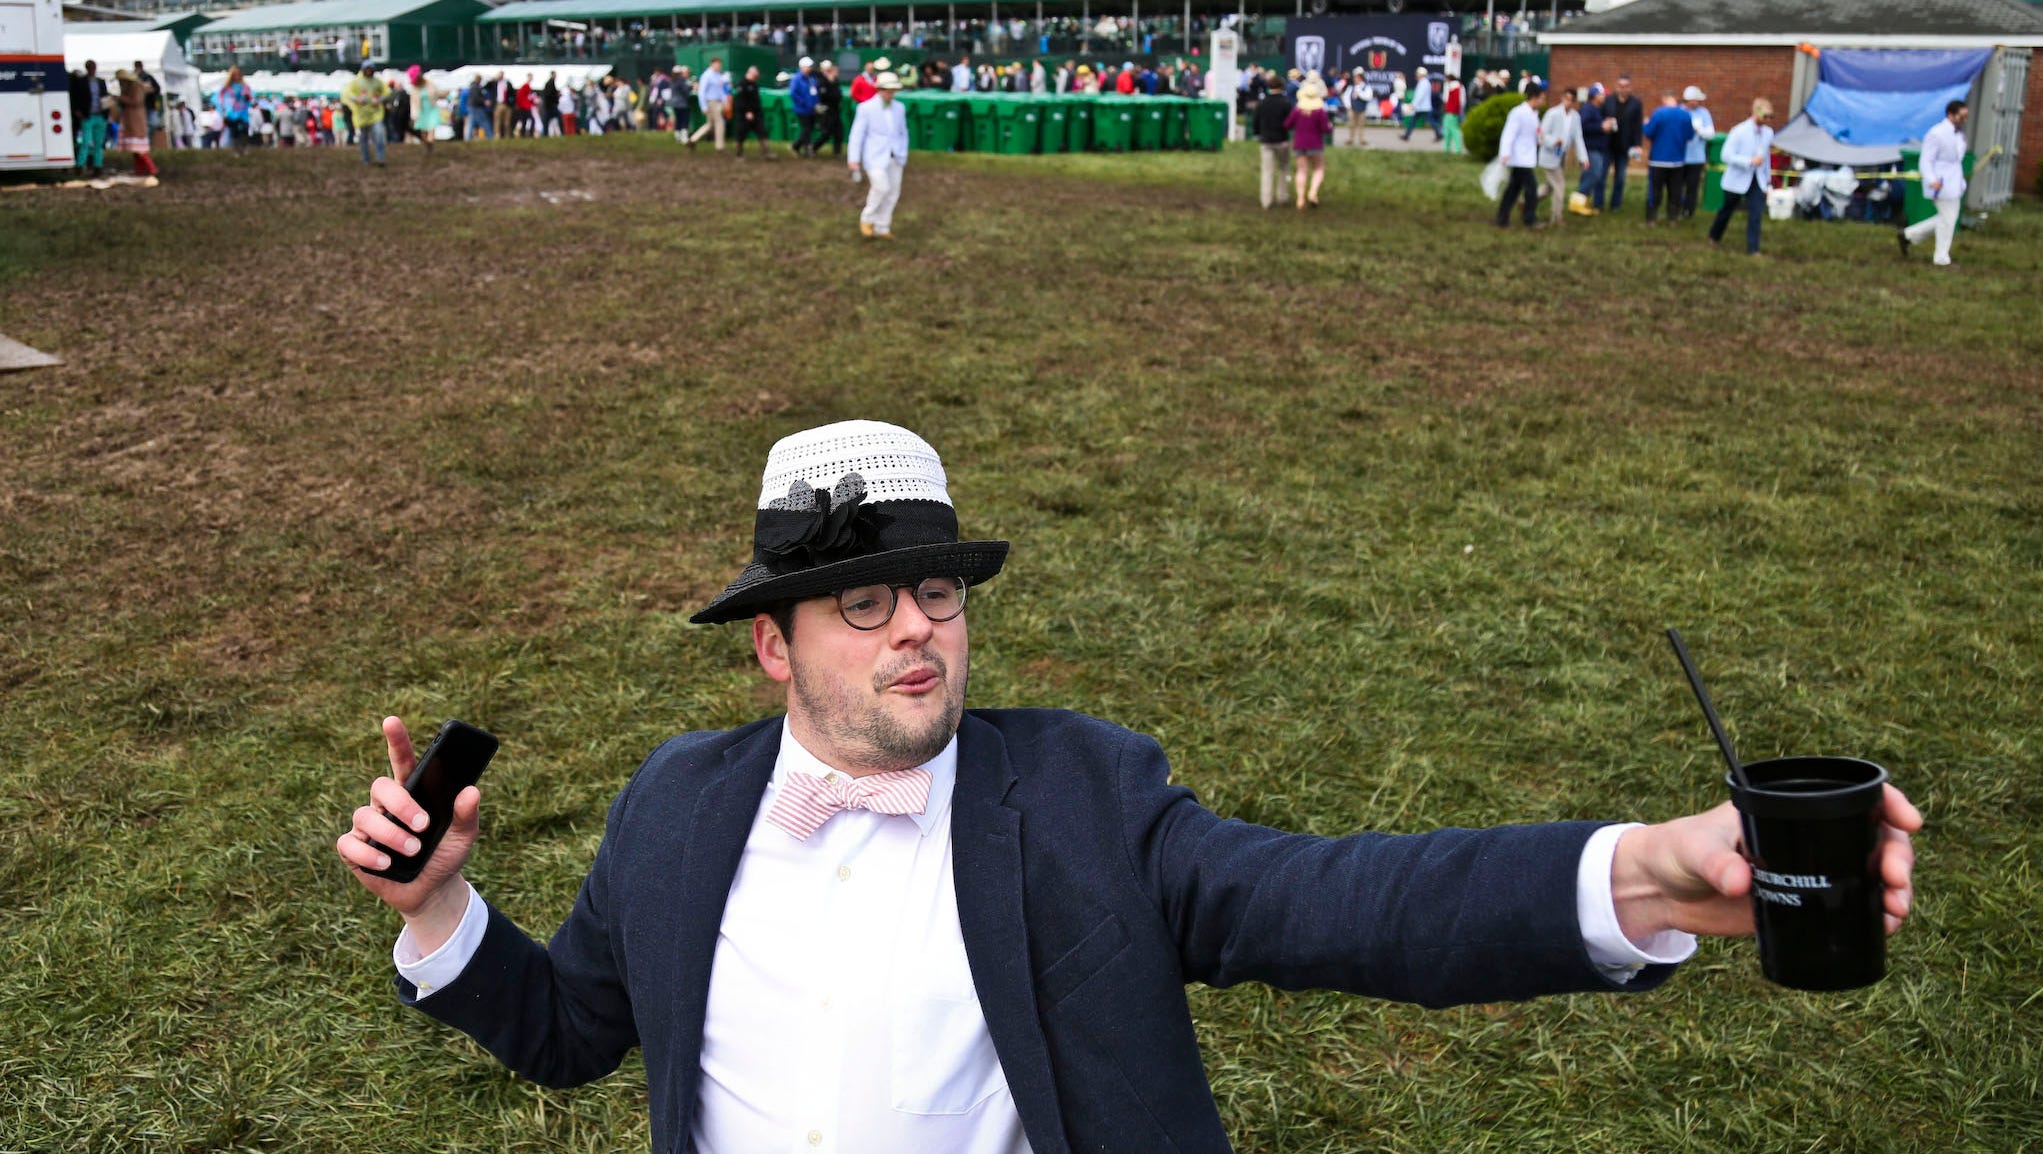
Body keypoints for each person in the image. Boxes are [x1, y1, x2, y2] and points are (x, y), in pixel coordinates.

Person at [339, 419, 1920, 1154]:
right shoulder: (678, 800)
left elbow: (1335, 899)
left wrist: (1636, 870)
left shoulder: (1083, 791)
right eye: (863, 605)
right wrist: (438, 908)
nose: (916, 633)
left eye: (938, 594)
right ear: (771, 646)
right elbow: (572, 1032)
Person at [1900, 99, 1969, 267]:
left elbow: (1956, 159)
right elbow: (1926, 160)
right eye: (1961, 116)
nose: (1964, 120)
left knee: (1946, 218)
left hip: (1954, 183)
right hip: (1940, 183)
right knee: (1948, 220)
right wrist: (1931, 180)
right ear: (1950, 115)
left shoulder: (1959, 135)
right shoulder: (1936, 133)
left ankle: (1908, 235)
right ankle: (1941, 259)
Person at [1708, 97, 1775, 256]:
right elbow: (1726, 155)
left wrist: (1768, 181)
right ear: (1755, 112)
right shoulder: (1739, 131)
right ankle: (1714, 235)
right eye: (1765, 116)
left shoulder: (1768, 133)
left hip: (1757, 179)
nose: (1767, 120)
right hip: (1737, 179)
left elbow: (1766, 159)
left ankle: (1753, 248)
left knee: (1756, 214)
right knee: (1727, 210)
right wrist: (1748, 161)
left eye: (1770, 117)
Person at [846, 71, 909, 238]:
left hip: (896, 156)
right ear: (879, 89)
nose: (890, 93)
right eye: (887, 90)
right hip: (874, 156)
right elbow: (857, 134)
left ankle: (883, 227)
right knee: (881, 187)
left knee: (893, 193)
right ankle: (867, 218)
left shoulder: (900, 108)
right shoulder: (865, 108)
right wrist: (853, 158)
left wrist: (903, 152)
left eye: (893, 90)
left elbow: (903, 132)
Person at [1496, 81, 1545, 229]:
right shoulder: (1518, 112)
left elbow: (1535, 134)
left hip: (1526, 157)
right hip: (1519, 158)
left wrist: (1540, 138)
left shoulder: (1534, 114)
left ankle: (1502, 217)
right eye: (1541, 98)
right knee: (1531, 188)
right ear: (1534, 97)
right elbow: (1508, 134)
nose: (1543, 102)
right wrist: (1505, 153)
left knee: (1513, 189)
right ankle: (1529, 218)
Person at [1640, 91, 1694, 224]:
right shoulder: (1685, 114)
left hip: (1658, 159)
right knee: (1675, 191)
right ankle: (1673, 218)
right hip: (1677, 160)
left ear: (1664, 98)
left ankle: (1651, 219)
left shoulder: (1659, 113)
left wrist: (1645, 123)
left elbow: (1649, 132)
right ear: (1676, 98)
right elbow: (1690, 135)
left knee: (1655, 190)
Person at [1538, 84, 1587, 226]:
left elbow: (1578, 138)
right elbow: (1542, 135)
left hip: (1561, 156)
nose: (1568, 102)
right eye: (1566, 98)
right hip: (1549, 155)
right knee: (1559, 185)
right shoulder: (1552, 113)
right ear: (1562, 98)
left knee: (1549, 187)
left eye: (1571, 100)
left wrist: (1583, 158)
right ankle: (1556, 217)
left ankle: (1528, 201)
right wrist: (1554, 141)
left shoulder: (1575, 117)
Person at [1284, 74, 1332, 211]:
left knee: (1301, 170)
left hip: (1299, 143)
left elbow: (1287, 124)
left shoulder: (1297, 110)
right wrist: (1330, 127)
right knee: (1318, 169)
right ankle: (1313, 192)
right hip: (1316, 144)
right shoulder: (1320, 112)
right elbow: (1326, 129)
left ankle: (1300, 198)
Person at [1598, 74, 1642, 211]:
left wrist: (1638, 144)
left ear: (1630, 87)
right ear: (1616, 87)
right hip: (1607, 144)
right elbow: (1600, 118)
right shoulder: (1608, 101)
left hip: (1623, 146)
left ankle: (1615, 205)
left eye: (1626, 86)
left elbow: (1637, 126)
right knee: (1601, 175)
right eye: (1621, 86)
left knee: (1620, 178)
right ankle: (1598, 204)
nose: (1623, 89)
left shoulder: (1636, 103)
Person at [1252, 72, 1293, 210]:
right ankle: (1282, 197)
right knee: (1283, 168)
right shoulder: (1286, 103)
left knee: (1267, 171)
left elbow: (1255, 120)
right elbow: (1290, 122)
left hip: (1266, 140)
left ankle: (1266, 200)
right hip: (1282, 140)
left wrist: (1257, 133)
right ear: (1281, 86)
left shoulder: (1262, 103)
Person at [342, 63, 390, 166]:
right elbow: (348, 93)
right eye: (367, 69)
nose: (369, 71)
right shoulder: (356, 82)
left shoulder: (377, 82)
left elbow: (387, 92)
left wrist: (379, 99)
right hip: (362, 115)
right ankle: (365, 159)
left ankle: (380, 157)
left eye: (370, 69)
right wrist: (356, 99)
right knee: (363, 137)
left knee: (379, 134)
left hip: (376, 114)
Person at [114, 69, 159, 178]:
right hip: (130, 121)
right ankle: (140, 169)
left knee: (140, 149)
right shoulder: (128, 88)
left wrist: (120, 98)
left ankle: (152, 169)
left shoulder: (135, 87)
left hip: (136, 121)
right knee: (135, 149)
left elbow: (136, 101)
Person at [1679, 85, 1714, 221]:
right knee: (1677, 186)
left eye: (1697, 100)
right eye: (1693, 100)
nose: (1696, 103)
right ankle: (1676, 208)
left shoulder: (1703, 113)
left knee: (1692, 187)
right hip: (1680, 156)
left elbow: (1710, 134)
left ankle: (1688, 211)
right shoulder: (1680, 111)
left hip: (1696, 158)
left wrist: (1699, 130)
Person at [71, 61, 109, 177]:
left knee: (98, 143)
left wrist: (106, 112)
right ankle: (80, 165)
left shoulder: (101, 82)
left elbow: (105, 97)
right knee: (85, 142)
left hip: (100, 115)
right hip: (87, 115)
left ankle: (98, 166)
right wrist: (77, 111)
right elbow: (75, 97)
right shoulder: (81, 82)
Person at [1574, 82, 1608, 212]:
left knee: (1590, 175)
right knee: (1594, 174)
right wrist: (1601, 127)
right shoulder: (1588, 108)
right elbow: (1582, 126)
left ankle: (1582, 202)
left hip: (1597, 148)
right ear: (1595, 96)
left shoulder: (1597, 109)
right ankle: (1577, 201)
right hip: (1590, 148)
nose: (1604, 96)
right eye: (1602, 94)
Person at [730, 65, 771, 158]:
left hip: (756, 114)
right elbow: (740, 101)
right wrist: (747, 111)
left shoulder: (755, 84)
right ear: (750, 73)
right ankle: (738, 154)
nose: (756, 77)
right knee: (741, 134)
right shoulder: (742, 84)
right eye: (755, 75)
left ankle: (766, 153)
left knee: (762, 132)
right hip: (744, 115)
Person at [690, 58, 729, 149]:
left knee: (710, 124)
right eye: (717, 64)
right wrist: (703, 106)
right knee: (720, 123)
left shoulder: (718, 75)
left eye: (720, 65)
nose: (719, 66)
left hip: (717, 102)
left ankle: (692, 139)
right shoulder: (707, 75)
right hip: (711, 102)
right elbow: (701, 91)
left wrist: (725, 102)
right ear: (712, 64)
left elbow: (721, 90)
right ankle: (720, 147)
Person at [218, 66, 254, 156]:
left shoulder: (245, 86)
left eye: (238, 74)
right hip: (231, 113)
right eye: (235, 74)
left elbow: (250, 99)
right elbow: (221, 99)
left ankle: (244, 149)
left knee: (244, 131)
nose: (237, 76)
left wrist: (247, 97)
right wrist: (224, 110)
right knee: (234, 132)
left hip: (243, 113)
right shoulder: (226, 87)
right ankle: (236, 150)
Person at [812, 61, 844, 158]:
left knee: (839, 132)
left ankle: (837, 152)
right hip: (827, 111)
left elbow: (838, 95)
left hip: (836, 111)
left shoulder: (835, 81)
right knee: (826, 133)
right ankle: (814, 147)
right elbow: (823, 97)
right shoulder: (822, 81)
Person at [409, 66, 443, 156]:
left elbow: (437, 93)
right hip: (421, 111)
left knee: (432, 127)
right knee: (423, 130)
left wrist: (444, 94)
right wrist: (413, 114)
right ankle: (427, 145)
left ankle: (430, 143)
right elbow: (412, 102)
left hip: (432, 109)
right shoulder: (414, 88)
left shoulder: (430, 84)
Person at [790, 57, 819, 157]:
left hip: (812, 109)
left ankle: (798, 147)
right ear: (802, 67)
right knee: (806, 129)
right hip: (802, 109)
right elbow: (793, 93)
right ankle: (806, 148)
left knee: (809, 129)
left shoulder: (811, 79)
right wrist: (803, 103)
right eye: (807, 67)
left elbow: (815, 92)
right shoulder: (796, 79)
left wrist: (816, 104)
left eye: (810, 67)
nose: (809, 68)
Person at [1402, 66, 1439, 141]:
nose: (1416, 75)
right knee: (1413, 121)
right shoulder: (1423, 82)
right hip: (1421, 107)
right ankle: (1406, 135)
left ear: (1421, 74)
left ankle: (1439, 134)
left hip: (1423, 107)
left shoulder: (1424, 83)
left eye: (1418, 73)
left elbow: (1420, 96)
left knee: (1430, 121)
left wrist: (1413, 104)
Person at [1339, 69, 1369, 148]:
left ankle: (1361, 140)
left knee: (1361, 124)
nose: (1355, 79)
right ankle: (1351, 139)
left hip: (1361, 108)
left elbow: (1368, 97)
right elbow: (1346, 97)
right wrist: (1348, 106)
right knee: (1351, 124)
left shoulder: (1366, 87)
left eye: (1357, 78)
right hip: (1352, 108)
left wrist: (1359, 93)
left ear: (1361, 78)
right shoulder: (1351, 87)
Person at [1441, 73, 1465, 154]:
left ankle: (1456, 148)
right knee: (1448, 130)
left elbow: (1455, 101)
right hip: (1451, 111)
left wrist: (1452, 110)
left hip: (1451, 111)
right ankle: (1447, 148)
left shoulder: (1455, 87)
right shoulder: (1457, 87)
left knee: (1453, 130)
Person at [491, 72, 515, 141]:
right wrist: (493, 79)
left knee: (507, 122)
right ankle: (497, 135)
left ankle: (507, 136)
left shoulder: (507, 83)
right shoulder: (494, 83)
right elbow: (486, 86)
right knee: (497, 121)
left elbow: (512, 93)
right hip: (498, 104)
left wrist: (511, 103)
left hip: (507, 104)